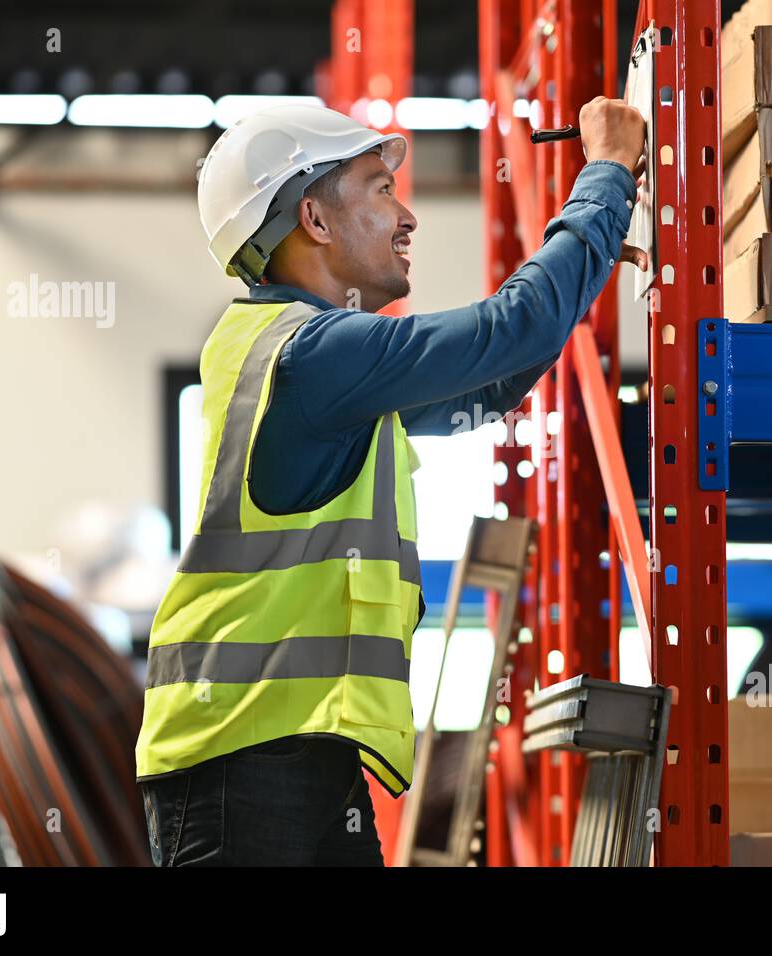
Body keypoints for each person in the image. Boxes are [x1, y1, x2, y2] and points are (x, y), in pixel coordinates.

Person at [135, 96, 647, 866]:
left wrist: (591, 253)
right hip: (248, 763)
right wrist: (606, 177)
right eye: (380, 188)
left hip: (289, 754)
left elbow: (488, 384)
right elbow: (510, 330)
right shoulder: (312, 356)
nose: (407, 217)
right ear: (314, 218)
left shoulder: (289, 352)